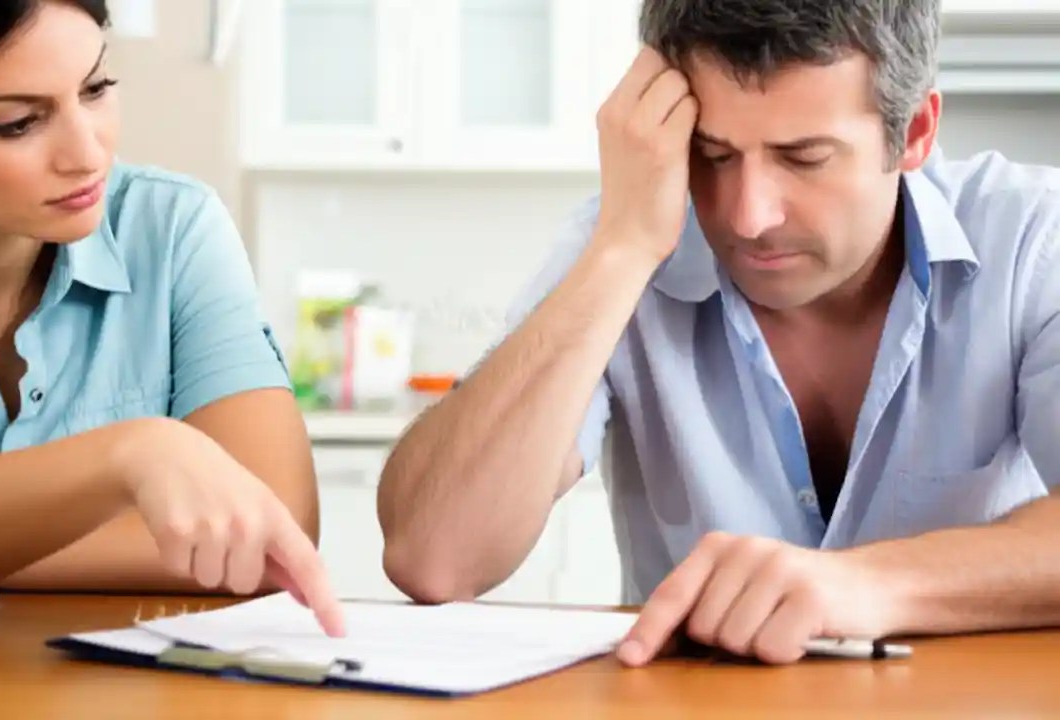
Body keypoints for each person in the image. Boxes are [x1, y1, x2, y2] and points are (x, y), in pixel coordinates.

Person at [378, 0, 1060, 665]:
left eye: (803, 157)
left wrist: (867, 586)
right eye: (713, 154)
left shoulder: (1032, 239)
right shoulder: (625, 236)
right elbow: (435, 559)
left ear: (913, 131)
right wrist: (621, 250)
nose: (747, 217)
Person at [0, 0, 342, 635]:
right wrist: (133, 456)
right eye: (17, 124)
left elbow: (272, 538)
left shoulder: (174, 227)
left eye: (96, 88)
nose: (87, 154)